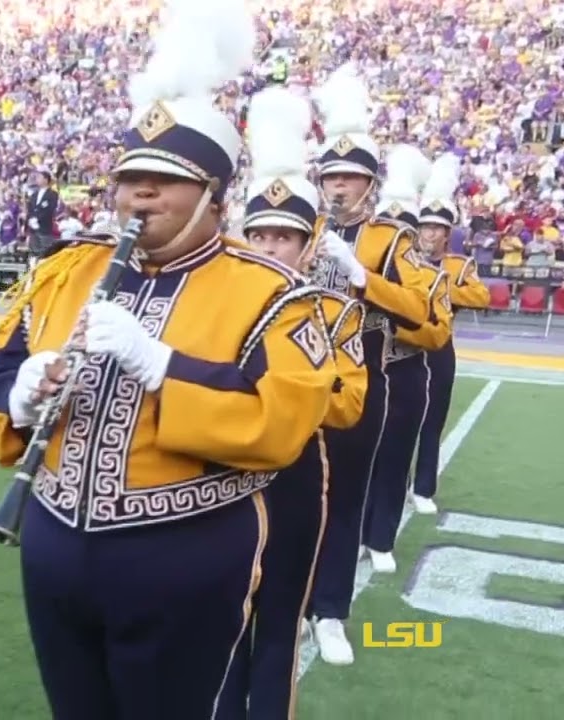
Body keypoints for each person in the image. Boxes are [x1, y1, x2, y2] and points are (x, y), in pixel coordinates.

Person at [0, 1, 335, 716]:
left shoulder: (271, 292)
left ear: (214, 198)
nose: (140, 190)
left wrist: (162, 366)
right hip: (52, 541)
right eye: (131, 174)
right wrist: (22, 396)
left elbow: (282, 422)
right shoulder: (65, 271)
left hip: (184, 552)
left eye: (167, 178)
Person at [222, 84, 366, 720]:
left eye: (285, 236)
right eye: (260, 234)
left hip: (295, 480)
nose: (271, 247)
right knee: (224, 625)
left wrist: (296, 382)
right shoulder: (218, 308)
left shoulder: (337, 312)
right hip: (225, 477)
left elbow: (349, 405)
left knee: (278, 623)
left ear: (309, 244)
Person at [304, 64, 435, 667]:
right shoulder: (301, 229)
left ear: (369, 183)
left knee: (346, 493)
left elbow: (418, 309)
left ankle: (330, 610)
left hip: (361, 374)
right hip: (297, 371)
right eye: (330, 176)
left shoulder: (391, 238)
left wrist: (362, 276)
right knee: (288, 492)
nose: (338, 187)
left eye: (349, 177)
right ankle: (285, 601)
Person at [361, 144, 453, 574]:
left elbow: (436, 333)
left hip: (403, 372)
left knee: (394, 460)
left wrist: (389, 321)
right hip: (360, 371)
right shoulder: (357, 269)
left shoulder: (431, 277)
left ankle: (381, 539)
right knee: (356, 463)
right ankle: (357, 533)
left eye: (403, 228)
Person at [412, 154, 490, 515]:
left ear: (447, 233)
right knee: (396, 422)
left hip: (439, 348)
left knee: (433, 420)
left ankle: (423, 489)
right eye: (424, 227)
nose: (429, 234)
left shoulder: (459, 265)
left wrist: (441, 286)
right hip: (403, 347)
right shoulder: (404, 260)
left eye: (436, 228)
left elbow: (481, 297)